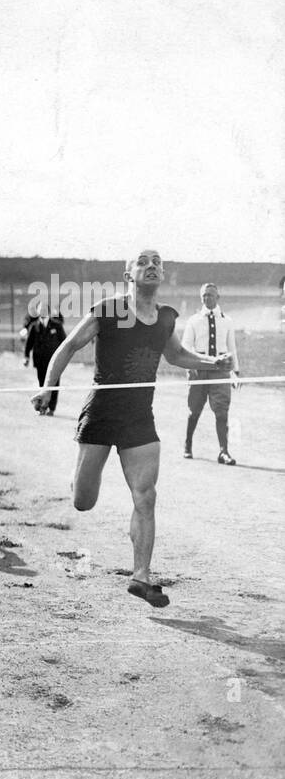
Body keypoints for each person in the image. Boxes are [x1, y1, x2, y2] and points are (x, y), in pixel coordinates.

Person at [31, 250, 232, 608]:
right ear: (129, 275)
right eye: (143, 261)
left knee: (146, 495)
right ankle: (81, 479)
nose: (152, 265)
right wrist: (48, 386)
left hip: (140, 417)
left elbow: (176, 355)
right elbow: (69, 345)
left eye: (157, 261)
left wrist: (212, 362)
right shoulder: (109, 310)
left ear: (163, 274)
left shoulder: (166, 317)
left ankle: (141, 575)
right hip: (102, 413)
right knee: (83, 500)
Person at [181, 283, 239, 464]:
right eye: (205, 295)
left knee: (222, 411)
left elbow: (232, 348)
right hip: (199, 370)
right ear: (201, 298)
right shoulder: (193, 321)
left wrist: (235, 372)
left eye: (211, 295)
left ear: (218, 297)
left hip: (220, 372)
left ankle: (224, 451)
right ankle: (188, 444)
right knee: (194, 410)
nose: (208, 298)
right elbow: (185, 347)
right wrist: (189, 368)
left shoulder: (227, 321)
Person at [23, 306, 67, 415]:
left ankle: (52, 408)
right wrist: (26, 357)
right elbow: (29, 343)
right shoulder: (34, 326)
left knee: (54, 383)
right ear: (37, 311)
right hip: (40, 361)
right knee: (42, 383)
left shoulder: (56, 325)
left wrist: (64, 357)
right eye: (40, 309)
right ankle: (43, 407)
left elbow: (65, 342)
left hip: (54, 360)